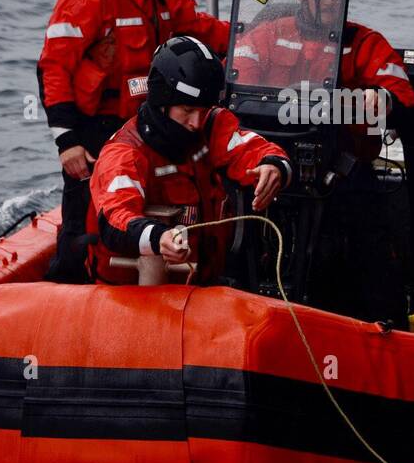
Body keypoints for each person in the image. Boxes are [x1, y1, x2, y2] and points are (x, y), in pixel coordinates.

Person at [37, 0, 230, 282]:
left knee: (147, 216)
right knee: (85, 228)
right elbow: (53, 66)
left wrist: (260, 40)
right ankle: (70, 292)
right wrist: (67, 142)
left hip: (148, 131)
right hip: (94, 136)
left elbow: (209, 31)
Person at [87, 36, 292, 283]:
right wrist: (159, 238)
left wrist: (272, 165)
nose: (195, 122)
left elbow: (249, 148)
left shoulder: (211, 124)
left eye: (202, 111)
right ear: (162, 103)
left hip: (201, 283)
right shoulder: (124, 155)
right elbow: (115, 220)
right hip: (130, 297)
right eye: (187, 111)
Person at [232, 0, 414, 158]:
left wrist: (382, 98)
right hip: (270, 150)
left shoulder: (365, 43)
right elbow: (237, 80)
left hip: (342, 161)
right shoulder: (270, 33)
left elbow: (403, 98)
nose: (331, 1)